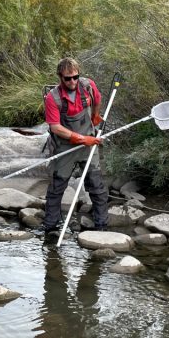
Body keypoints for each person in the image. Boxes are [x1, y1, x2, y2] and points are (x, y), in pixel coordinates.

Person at [39, 57, 110, 239]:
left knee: (97, 186)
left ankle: (101, 225)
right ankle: (51, 227)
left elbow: (98, 100)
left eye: (75, 77)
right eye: (67, 78)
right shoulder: (52, 98)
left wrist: (95, 116)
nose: (72, 82)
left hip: (89, 144)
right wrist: (80, 138)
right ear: (60, 78)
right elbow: (55, 127)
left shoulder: (87, 86)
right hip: (64, 147)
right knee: (56, 188)